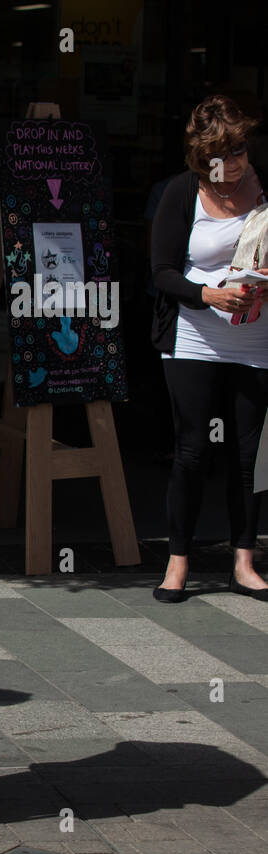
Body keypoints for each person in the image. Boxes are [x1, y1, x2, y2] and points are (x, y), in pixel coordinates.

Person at [150, 94, 268, 603]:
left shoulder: (265, 187)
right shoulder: (182, 193)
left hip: (257, 335)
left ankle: (244, 561)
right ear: (203, 159)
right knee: (192, 450)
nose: (236, 163)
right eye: (225, 155)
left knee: (249, 454)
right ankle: (178, 562)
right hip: (195, 334)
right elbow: (160, 272)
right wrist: (209, 294)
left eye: (241, 150)